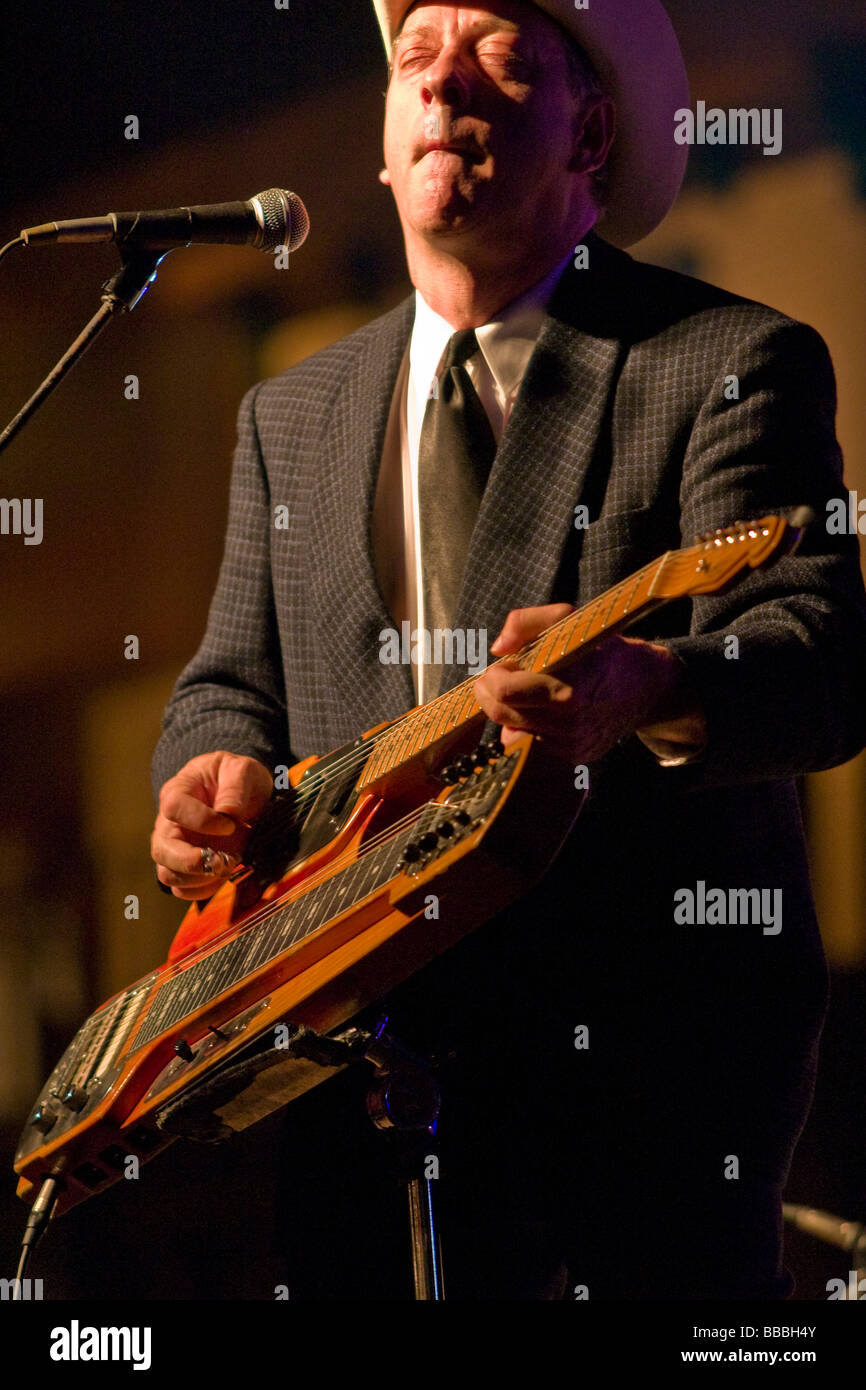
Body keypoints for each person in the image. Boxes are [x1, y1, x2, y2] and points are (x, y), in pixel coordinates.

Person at [150, 0, 866, 1299]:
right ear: (380, 143)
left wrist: (644, 684)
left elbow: (816, 657)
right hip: (355, 1085)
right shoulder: (287, 416)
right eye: (414, 57)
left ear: (589, 129)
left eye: (497, 55)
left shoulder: (723, 361)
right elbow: (228, 686)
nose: (441, 86)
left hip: (643, 1090)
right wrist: (206, 774)